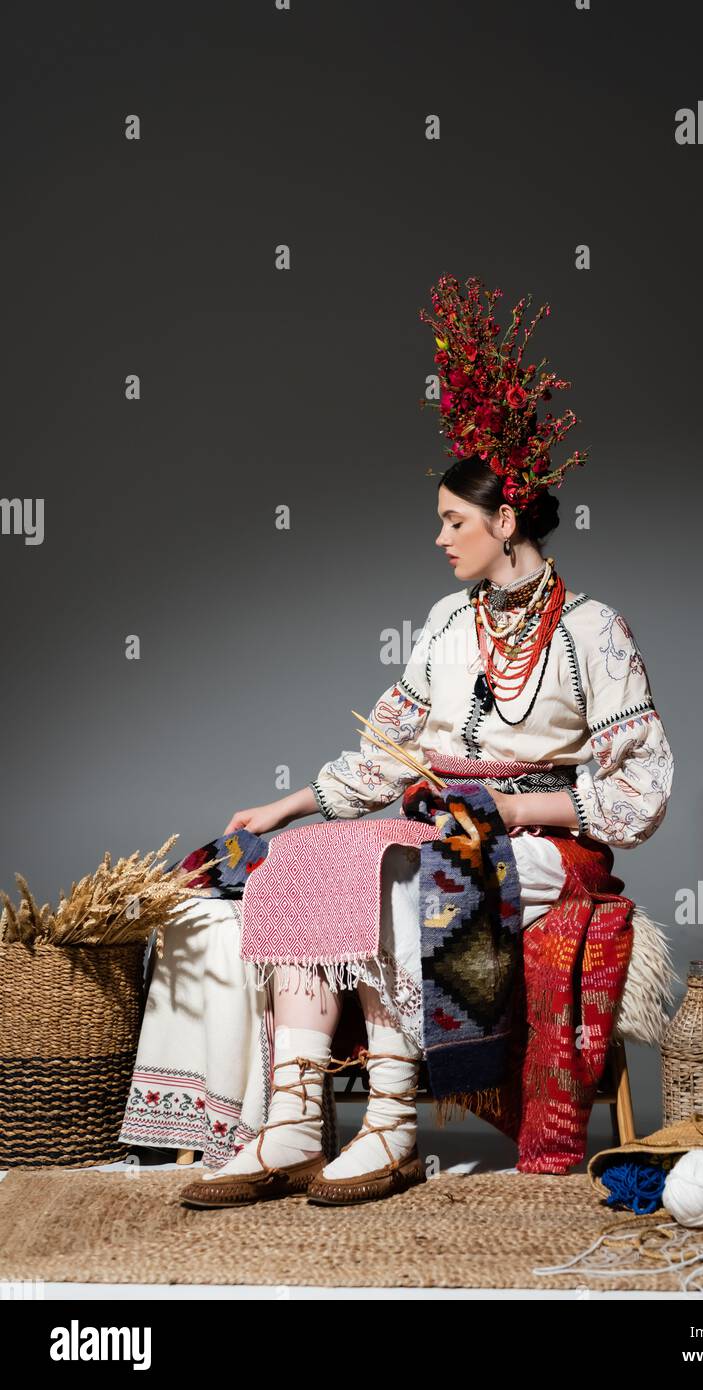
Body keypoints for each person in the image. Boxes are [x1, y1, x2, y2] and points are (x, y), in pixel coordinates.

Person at [176, 273, 674, 1209]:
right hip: (439, 816)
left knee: (407, 881)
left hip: (544, 844)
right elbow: (388, 747)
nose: (441, 539)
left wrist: (513, 804)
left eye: (454, 522)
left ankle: (393, 1123)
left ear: (506, 522)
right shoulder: (448, 621)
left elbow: (642, 788)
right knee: (295, 864)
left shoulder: (591, 631)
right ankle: (290, 1121)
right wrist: (288, 805)